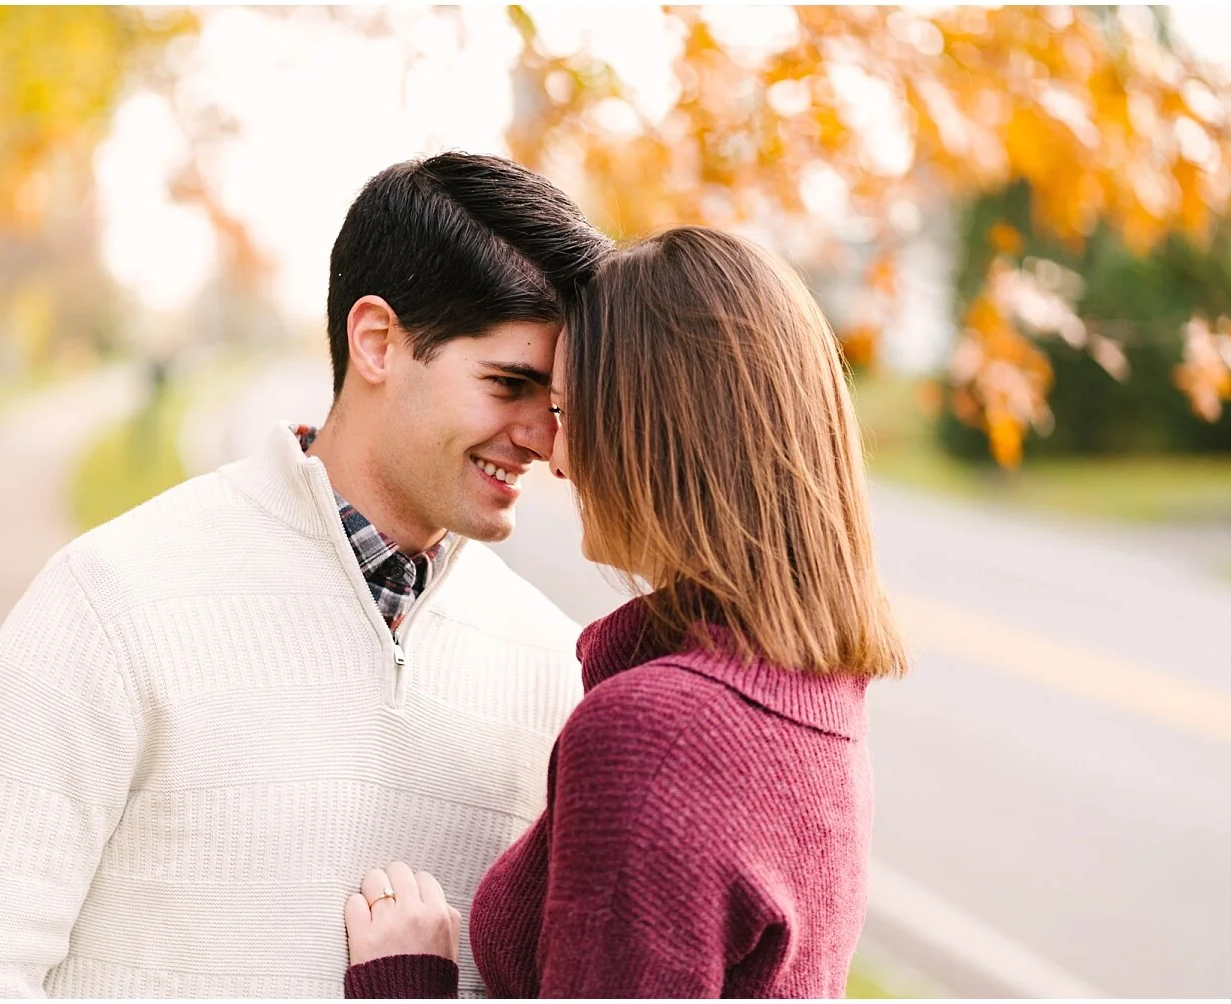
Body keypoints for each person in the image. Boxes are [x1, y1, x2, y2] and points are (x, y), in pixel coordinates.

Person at [0, 152, 613, 998]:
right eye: (508, 385)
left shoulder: (554, 664)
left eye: (554, 403)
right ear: (376, 342)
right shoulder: (115, 598)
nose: (542, 438)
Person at [342, 226, 909, 998]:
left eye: (573, 412)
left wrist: (404, 987)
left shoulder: (658, 741)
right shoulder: (815, 704)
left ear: (662, 430)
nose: (559, 459)